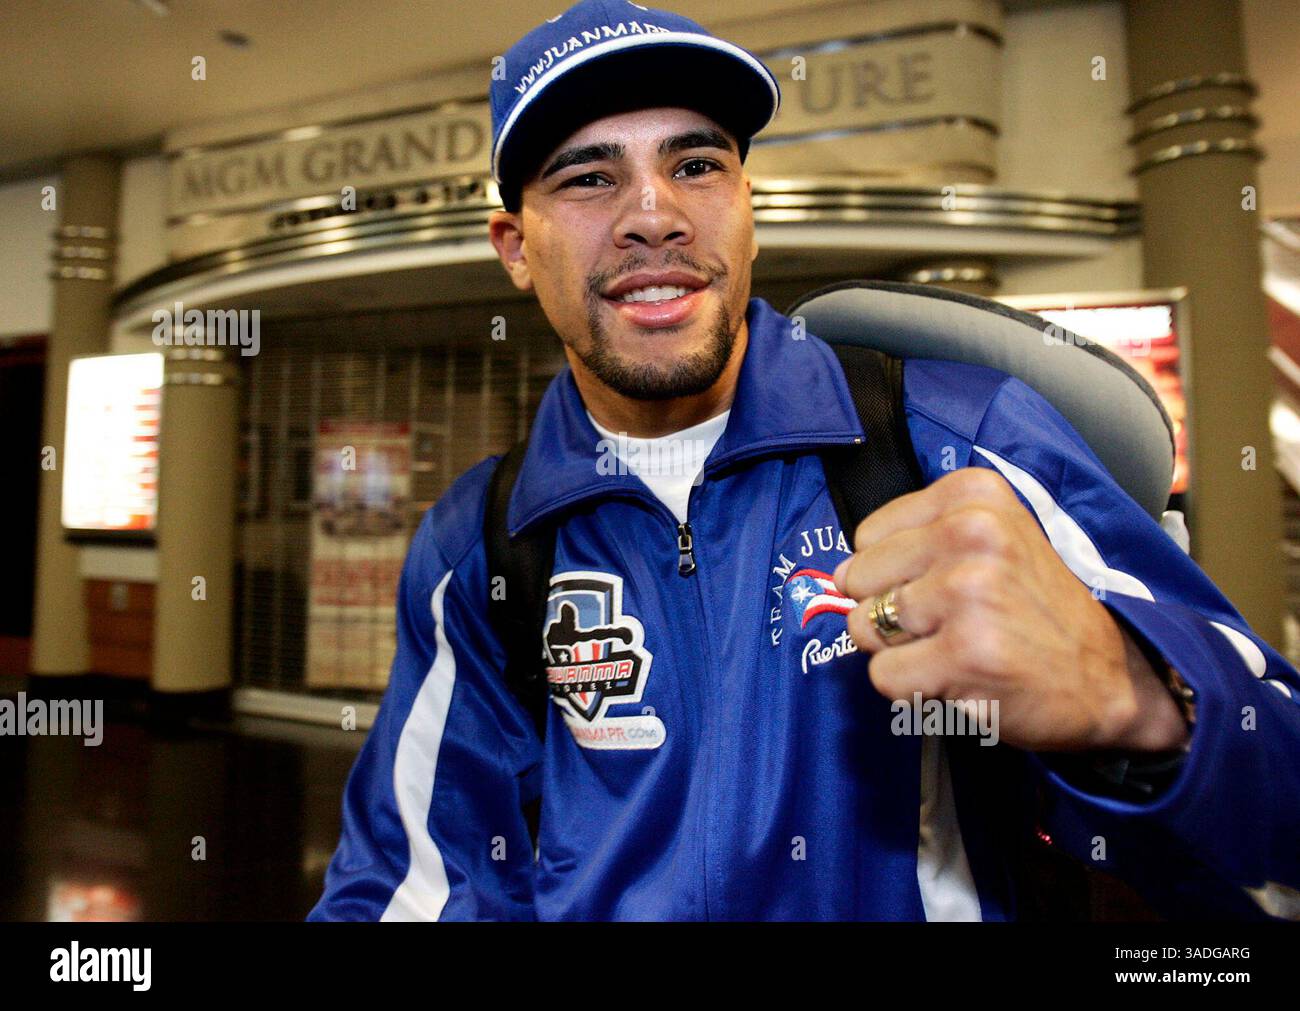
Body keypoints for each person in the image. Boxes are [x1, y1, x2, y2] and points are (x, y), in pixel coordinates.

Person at [307, 0, 1300, 921]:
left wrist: (1140, 704)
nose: (653, 214)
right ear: (514, 248)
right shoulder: (481, 539)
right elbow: (415, 879)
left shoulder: (958, 439)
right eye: (588, 176)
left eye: (697, 166)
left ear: (748, 206)